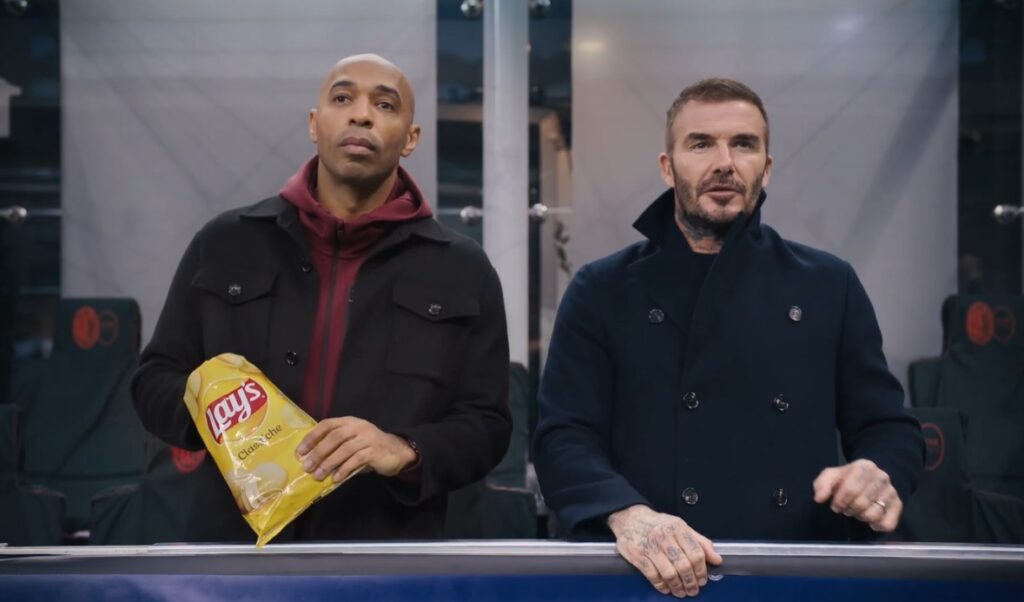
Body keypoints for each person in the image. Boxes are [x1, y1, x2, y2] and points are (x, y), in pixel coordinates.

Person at [532, 78, 924, 598]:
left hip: (793, 571)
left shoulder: (829, 283)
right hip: (650, 575)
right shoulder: (602, 289)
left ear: (766, 166)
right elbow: (563, 438)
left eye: (744, 144)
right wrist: (628, 516)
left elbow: (888, 426)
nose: (725, 161)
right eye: (701, 144)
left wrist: (876, 472)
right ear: (668, 168)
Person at [133, 54, 511, 542]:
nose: (360, 114)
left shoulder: (462, 269)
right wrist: (219, 412)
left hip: (387, 560)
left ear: (410, 137)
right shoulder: (224, 243)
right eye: (342, 98)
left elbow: (488, 424)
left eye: (384, 104)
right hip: (235, 557)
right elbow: (153, 382)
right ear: (315, 125)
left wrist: (404, 449)